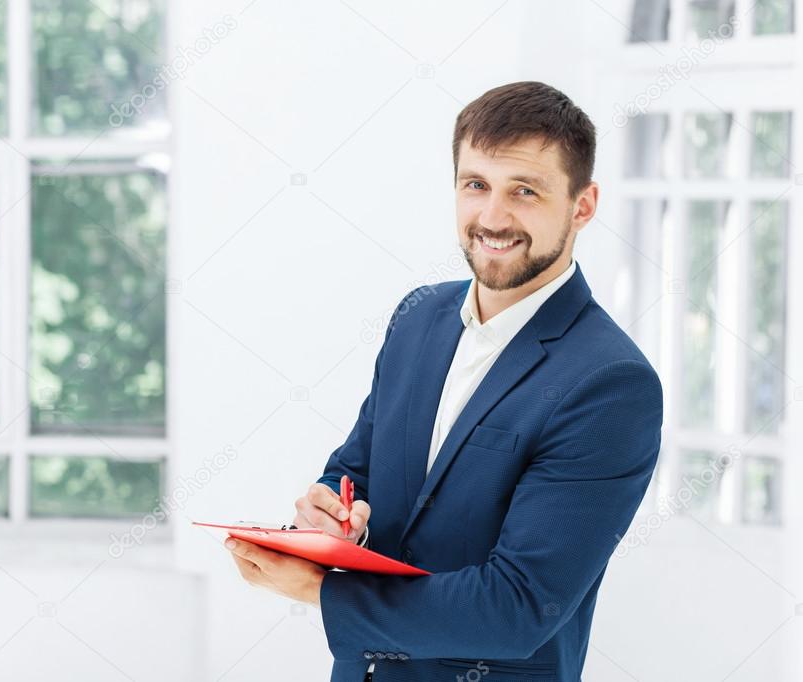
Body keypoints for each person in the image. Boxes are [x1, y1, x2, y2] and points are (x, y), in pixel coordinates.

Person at [224, 80, 663, 682]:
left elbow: (517, 608)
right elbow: (355, 472)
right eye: (476, 185)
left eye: (525, 191)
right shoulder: (418, 317)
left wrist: (319, 592)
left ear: (582, 206)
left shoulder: (610, 383)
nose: (493, 217)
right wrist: (331, 519)